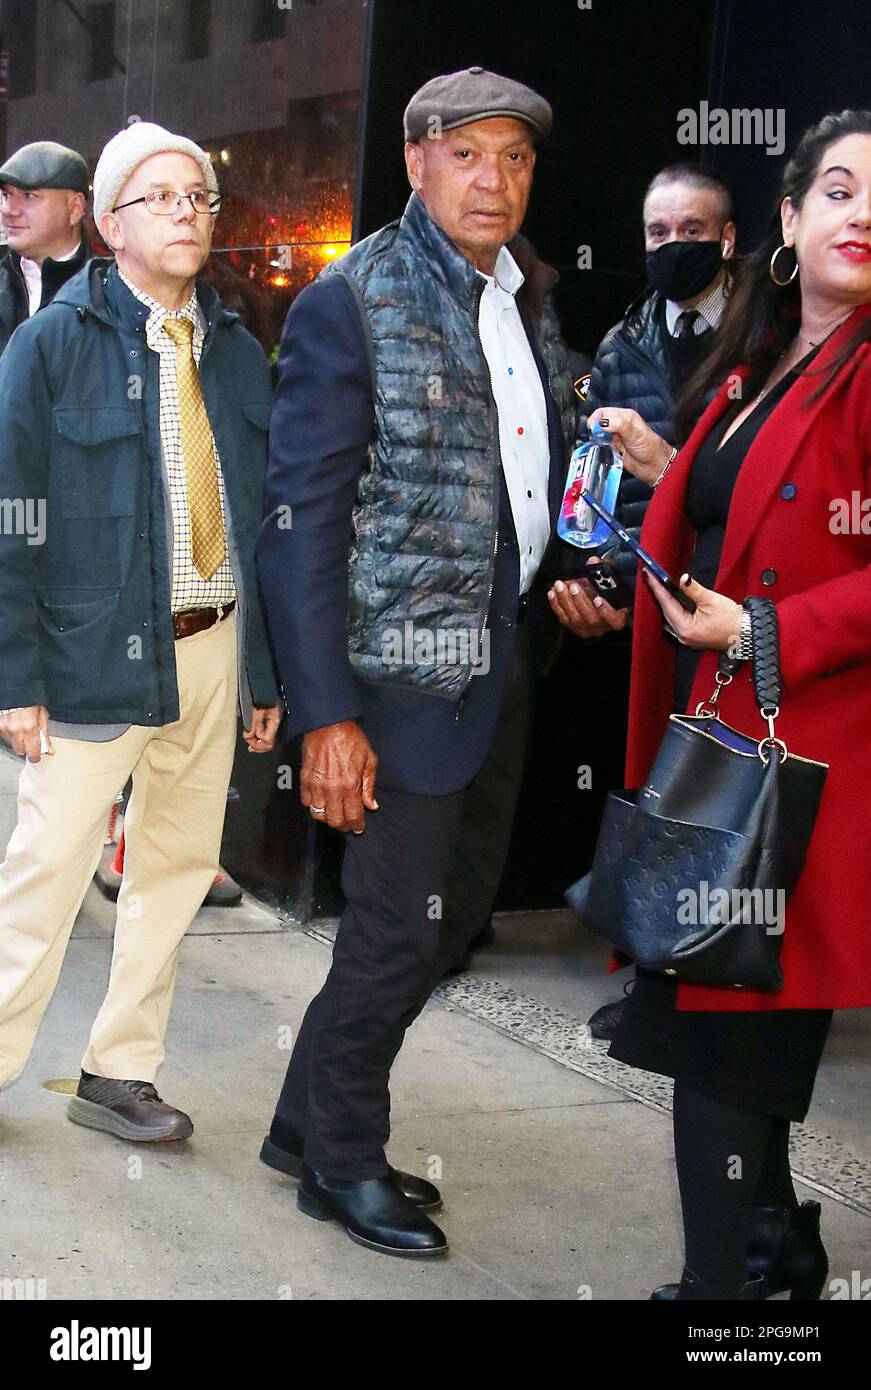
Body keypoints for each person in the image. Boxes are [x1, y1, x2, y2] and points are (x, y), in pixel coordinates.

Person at [257, 67, 579, 1257]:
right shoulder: (355, 301)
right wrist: (325, 718)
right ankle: (338, 1164)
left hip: (497, 663)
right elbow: (298, 524)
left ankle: (302, 1122)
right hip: (392, 679)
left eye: (515, 158)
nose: (492, 180)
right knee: (396, 933)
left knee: (447, 924)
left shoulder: (524, 292)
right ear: (415, 161)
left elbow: (517, 479)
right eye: (466, 154)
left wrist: (565, 579)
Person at [563, 109, 871, 1299]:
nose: (862, 212)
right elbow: (714, 526)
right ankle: (773, 1253)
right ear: (788, 223)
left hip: (805, 787)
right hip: (722, 767)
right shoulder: (759, 359)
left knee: (724, 1064)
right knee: (728, 1044)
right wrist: (614, 571)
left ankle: (726, 1303)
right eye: (837, 190)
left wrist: (769, 630)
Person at [0, 122, 282, 1142]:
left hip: (213, 644)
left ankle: (121, 1069)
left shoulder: (240, 349)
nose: (186, 213)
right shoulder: (52, 345)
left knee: (172, 866)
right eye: (159, 197)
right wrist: (13, 676)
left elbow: (263, 519)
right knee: (47, 866)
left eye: (198, 198)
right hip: (92, 649)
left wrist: (263, 674)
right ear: (110, 221)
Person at [575, 165, 737, 1040]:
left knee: (724, 791)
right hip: (649, 599)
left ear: (730, 239)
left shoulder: (768, 340)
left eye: (692, 230)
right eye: (657, 233)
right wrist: (602, 573)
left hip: (735, 602)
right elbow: (599, 489)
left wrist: (662, 460)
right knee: (652, 781)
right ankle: (654, 975)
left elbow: (740, 487)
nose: (673, 247)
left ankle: (711, 981)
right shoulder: (621, 342)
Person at [0, 140, 91, 355]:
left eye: (29, 196)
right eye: (6, 196)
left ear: (75, 208)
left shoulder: (108, 292)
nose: (9, 210)